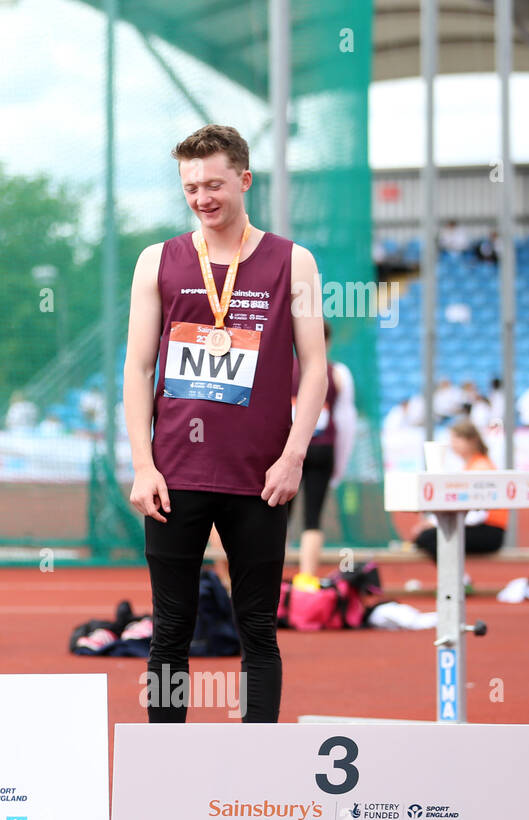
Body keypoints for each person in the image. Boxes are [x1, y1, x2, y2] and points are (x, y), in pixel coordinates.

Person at [123, 124, 327, 723]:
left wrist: (293, 457)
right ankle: (165, 759)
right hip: (175, 474)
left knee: (257, 629)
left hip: (260, 477)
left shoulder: (295, 260)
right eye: (191, 187)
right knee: (170, 632)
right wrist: (142, 464)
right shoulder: (157, 260)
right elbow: (137, 368)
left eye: (213, 184)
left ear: (244, 179)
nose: (202, 198)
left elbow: (314, 366)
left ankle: (256, 760)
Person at [293, 321, 357, 578]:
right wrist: (338, 466)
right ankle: (306, 578)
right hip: (322, 449)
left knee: (276, 515)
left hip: (285, 451)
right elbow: (345, 423)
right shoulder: (338, 373)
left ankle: (272, 578)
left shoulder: (281, 368)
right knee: (312, 518)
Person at [409, 420, 506, 562]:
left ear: (472, 440)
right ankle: (460, 580)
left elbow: (477, 512)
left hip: (489, 530)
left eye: (456, 439)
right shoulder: (472, 466)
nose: (452, 444)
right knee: (430, 537)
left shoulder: (481, 467)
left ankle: (460, 580)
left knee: (429, 538)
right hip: (482, 527)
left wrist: (434, 523)